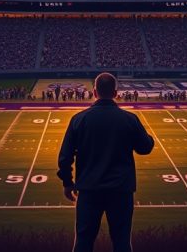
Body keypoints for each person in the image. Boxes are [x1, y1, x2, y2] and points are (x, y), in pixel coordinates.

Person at [57, 72, 154, 252]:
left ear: (94, 92)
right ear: (116, 93)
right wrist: (147, 136)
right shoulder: (129, 119)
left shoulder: (79, 119)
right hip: (120, 190)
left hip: (89, 190)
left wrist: (67, 183)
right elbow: (145, 147)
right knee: (122, 242)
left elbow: (65, 156)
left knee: (83, 242)